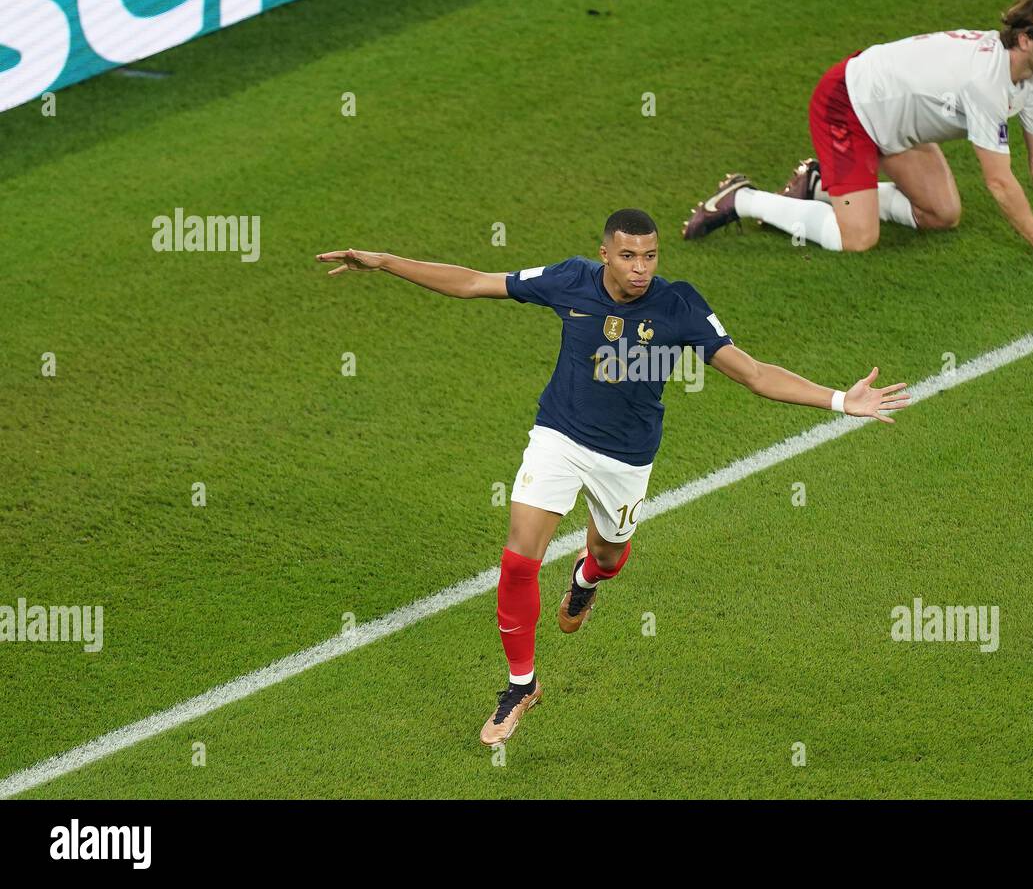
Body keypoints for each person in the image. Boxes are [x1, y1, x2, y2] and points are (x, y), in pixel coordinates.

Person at [316, 208, 910, 745]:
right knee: (520, 554)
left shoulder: (678, 305)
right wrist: (386, 262)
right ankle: (521, 684)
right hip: (559, 437)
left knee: (610, 553)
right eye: (629, 255)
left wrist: (838, 400)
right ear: (605, 254)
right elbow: (474, 282)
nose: (641, 268)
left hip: (626, 460)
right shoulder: (570, 280)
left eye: (650, 256)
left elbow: (752, 373)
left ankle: (587, 576)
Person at [682, 0, 1033, 267]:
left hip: (897, 122)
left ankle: (817, 185)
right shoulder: (985, 81)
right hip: (848, 104)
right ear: (1025, 41)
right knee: (859, 237)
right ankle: (744, 199)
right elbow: (998, 180)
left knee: (942, 214)